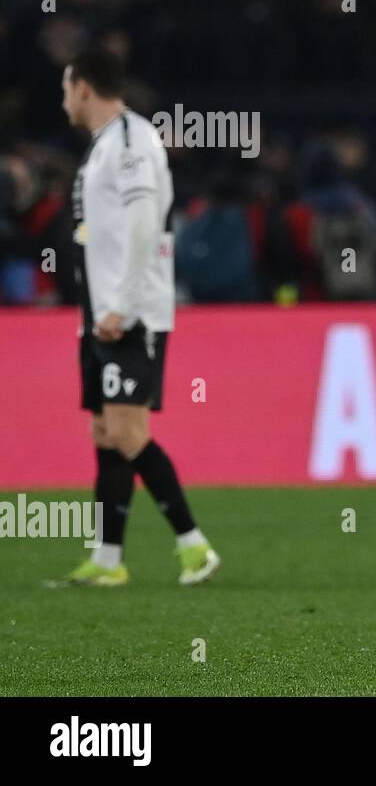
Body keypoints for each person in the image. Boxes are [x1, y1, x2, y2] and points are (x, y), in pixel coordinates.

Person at [51, 46, 220, 587]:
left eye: (64, 88)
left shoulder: (130, 140)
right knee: (105, 430)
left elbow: (146, 221)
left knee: (127, 431)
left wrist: (121, 303)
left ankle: (194, 547)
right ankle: (107, 561)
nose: (62, 101)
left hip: (130, 313)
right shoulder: (105, 146)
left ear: (82, 87)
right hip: (101, 313)